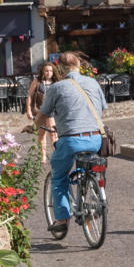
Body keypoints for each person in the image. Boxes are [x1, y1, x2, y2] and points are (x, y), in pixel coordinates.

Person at [35, 52, 107, 239]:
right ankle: (90, 192)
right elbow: (102, 109)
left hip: (71, 139)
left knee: (58, 176)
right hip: (96, 138)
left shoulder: (57, 88)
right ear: (79, 66)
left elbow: (43, 114)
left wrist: (33, 126)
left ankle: (61, 220)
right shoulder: (93, 83)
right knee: (86, 166)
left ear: (60, 69)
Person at [26, 61, 60, 164]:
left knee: (53, 134)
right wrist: (28, 110)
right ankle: (43, 156)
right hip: (40, 111)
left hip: (52, 112)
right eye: (46, 71)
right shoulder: (37, 81)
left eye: (50, 71)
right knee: (41, 134)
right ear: (43, 71)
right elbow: (30, 95)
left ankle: (56, 155)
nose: (49, 73)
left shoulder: (56, 82)